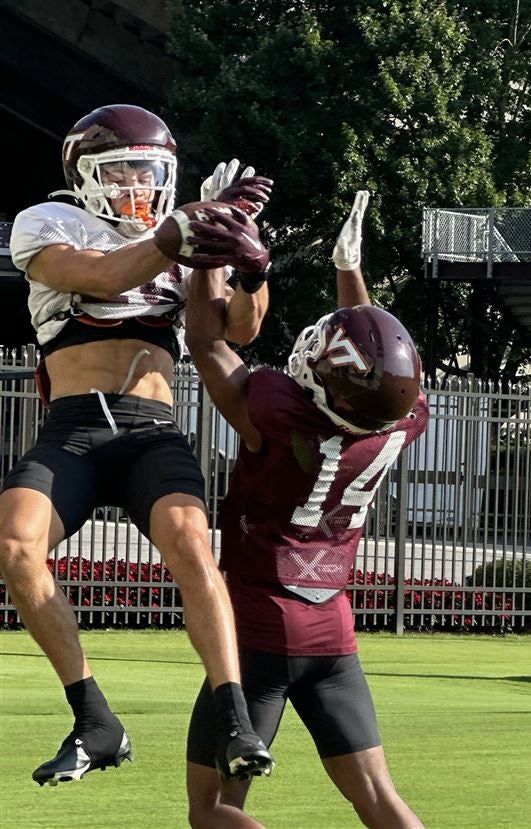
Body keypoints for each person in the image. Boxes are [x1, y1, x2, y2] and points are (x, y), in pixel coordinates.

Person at [0, 104, 276, 785]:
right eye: (121, 169)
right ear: (84, 173)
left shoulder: (172, 236)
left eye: (148, 171)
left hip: (151, 428)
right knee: (13, 544)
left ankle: (234, 717)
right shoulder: (47, 221)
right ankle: (95, 717)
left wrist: (250, 265)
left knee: (189, 540)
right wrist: (182, 232)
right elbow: (102, 276)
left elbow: (236, 330)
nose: (136, 183)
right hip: (75, 427)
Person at [183, 191, 429, 829]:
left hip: (257, 628)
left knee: (212, 812)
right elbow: (374, 364)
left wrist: (210, 249)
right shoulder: (397, 423)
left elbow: (205, 339)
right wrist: (349, 271)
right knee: (379, 798)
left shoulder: (277, 411)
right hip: (332, 630)